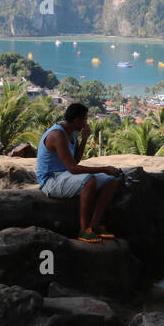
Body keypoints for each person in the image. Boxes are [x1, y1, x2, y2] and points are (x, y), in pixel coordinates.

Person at [37, 103, 122, 242]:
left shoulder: (72, 133)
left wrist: (84, 139)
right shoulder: (58, 134)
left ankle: (94, 225)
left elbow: (75, 160)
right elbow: (73, 168)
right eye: (85, 120)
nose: (86, 123)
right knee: (90, 181)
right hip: (50, 181)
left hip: (64, 175)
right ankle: (83, 231)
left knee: (111, 181)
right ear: (77, 121)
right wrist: (104, 168)